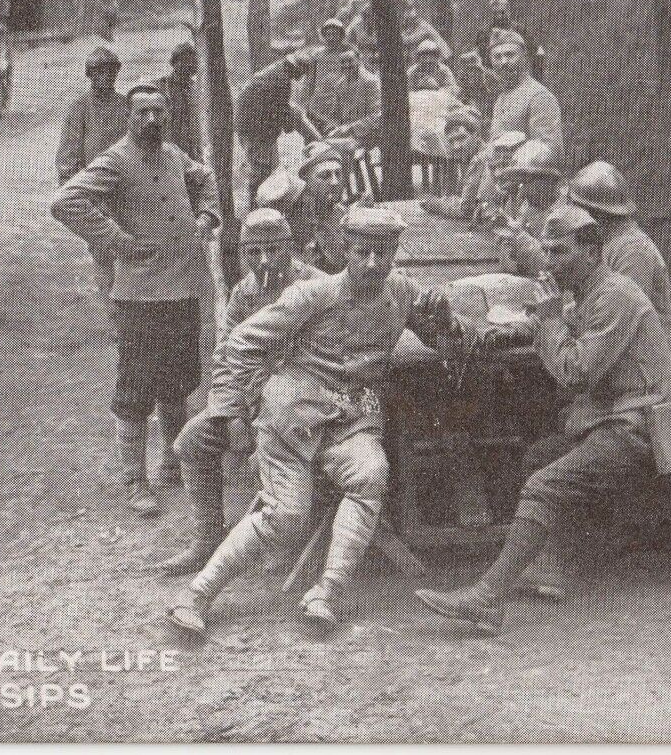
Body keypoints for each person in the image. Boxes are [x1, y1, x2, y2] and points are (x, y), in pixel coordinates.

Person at [166, 206, 457, 635]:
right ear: (345, 250)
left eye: (382, 253)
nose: (372, 263)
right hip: (293, 413)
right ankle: (196, 595)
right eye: (362, 252)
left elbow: (446, 345)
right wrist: (229, 412)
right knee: (286, 516)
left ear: (394, 252)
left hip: (352, 417)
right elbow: (240, 343)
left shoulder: (402, 293)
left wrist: (444, 319)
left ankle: (327, 592)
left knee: (370, 474)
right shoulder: (312, 295)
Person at [413, 204, 671, 636]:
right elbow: (554, 324)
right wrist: (494, 332)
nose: (550, 262)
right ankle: (548, 569)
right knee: (538, 457)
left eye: (560, 252)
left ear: (592, 251)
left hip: (642, 426)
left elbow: (575, 371)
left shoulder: (615, 295)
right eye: (548, 251)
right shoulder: (588, 290)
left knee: (543, 483)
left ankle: (487, 598)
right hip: (614, 417)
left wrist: (550, 319)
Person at [52, 86, 221, 517]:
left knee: (178, 382)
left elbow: (204, 177)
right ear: (129, 116)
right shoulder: (116, 160)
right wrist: (117, 240)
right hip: (139, 296)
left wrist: (206, 214)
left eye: (158, 112)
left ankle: (173, 462)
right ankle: (134, 479)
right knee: (136, 389)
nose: (152, 120)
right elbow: (66, 201)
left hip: (181, 288)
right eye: (143, 112)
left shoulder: (173, 155)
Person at [155, 208, 327, 576]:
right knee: (192, 441)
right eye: (253, 252)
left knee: (275, 458)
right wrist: (229, 412)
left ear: (290, 247)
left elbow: (334, 360)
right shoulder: (245, 293)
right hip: (254, 403)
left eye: (273, 250)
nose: (264, 261)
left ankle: (289, 539)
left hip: (305, 409)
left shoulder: (319, 287)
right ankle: (208, 538)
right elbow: (225, 357)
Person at [567, 161, 671, 346]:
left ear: (597, 213)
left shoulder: (633, 251)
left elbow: (620, 313)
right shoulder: (607, 241)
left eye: (577, 209)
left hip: (641, 356)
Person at [56, 46, 130, 302]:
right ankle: (112, 312)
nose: (105, 76)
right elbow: (68, 159)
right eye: (99, 71)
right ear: (89, 74)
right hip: (96, 198)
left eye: (110, 70)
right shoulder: (79, 109)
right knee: (103, 255)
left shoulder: (127, 106)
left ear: (117, 72)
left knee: (134, 253)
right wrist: (80, 199)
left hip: (128, 193)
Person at [234, 50, 319, 206]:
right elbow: (282, 114)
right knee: (261, 170)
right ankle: (256, 207)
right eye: (302, 72)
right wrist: (292, 125)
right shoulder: (281, 80)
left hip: (255, 124)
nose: (301, 77)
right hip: (254, 128)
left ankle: (266, 203)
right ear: (296, 68)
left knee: (269, 168)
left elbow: (281, 108)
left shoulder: (278, 70)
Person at [491, 139, 565, 275]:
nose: (522, 190)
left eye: (527, 183)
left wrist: (518, 237)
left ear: (547, 180)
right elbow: (508, 262)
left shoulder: (565, 216)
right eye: (520, 183)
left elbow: (554, 270)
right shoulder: (529, 206)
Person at [487, 31, 563, 161]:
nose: (503, 62)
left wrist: (514, 162)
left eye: (510, 55)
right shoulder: (501, 98)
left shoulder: (539, 96)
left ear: (524, 57)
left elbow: (550, 149)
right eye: (497, 57)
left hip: (523, 172)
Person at [280, 141, 350, 273]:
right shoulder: (298, 223)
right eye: (325, 176)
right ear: (306, 182)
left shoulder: (342, 213)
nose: (335, 182)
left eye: (338, 173)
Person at [419, 106, 497, 222]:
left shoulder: (480, 159)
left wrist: (435, 204)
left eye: (462, 138)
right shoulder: (470, 157)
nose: (456, 146)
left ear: (476, 135)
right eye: (452, 141)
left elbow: (465, 210)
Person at [474, 0, 546, 80]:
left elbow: (538, 52)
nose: (499, 16)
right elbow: (479, 57)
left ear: (508, 10)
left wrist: (537, 79)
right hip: (493, 78)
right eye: (495, 13)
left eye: (502, 12)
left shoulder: (520, 30)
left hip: (516, 77)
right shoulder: (484, 33)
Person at [320, 49, 383, 146]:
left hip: (369, 135)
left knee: (326, 148)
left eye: (350, 61)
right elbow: (336, 113)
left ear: (359, 60)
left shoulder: (371, 81)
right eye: (343, 62)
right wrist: (330, 125)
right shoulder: (340, 84)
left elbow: (377, 115)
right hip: (347, 135)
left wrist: (350, 128)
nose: (346, 65)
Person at [157, 40, 201, 160]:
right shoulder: (162, 86)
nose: (188, 65)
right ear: (174, 63)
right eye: (184, 60)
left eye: (192, 61)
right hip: (169, 152)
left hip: (193, 152)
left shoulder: (196, 88)